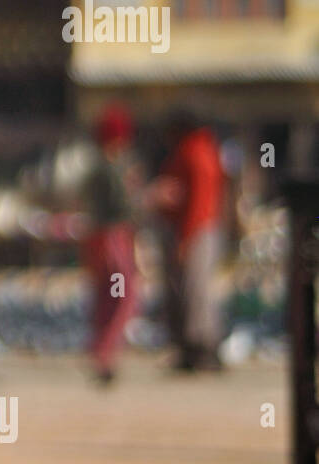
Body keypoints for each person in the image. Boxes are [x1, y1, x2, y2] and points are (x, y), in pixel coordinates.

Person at [151, 112, 226, 372]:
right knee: (184, 290)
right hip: (190, 230)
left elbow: (199, 202)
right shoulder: (192, 151)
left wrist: (186, 238)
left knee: (196, 291)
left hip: (196, 231)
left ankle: (202, 350)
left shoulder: (197, 151)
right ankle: (189, 349)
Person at [80, 104, 142, 386]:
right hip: (112, 237)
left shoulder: (97, 168)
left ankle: (101, 352)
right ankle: (104, 354)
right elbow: (122, 206)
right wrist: (144, 193)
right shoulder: (110, 169)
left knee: (107, 296)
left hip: (100, 237)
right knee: (122, 296)